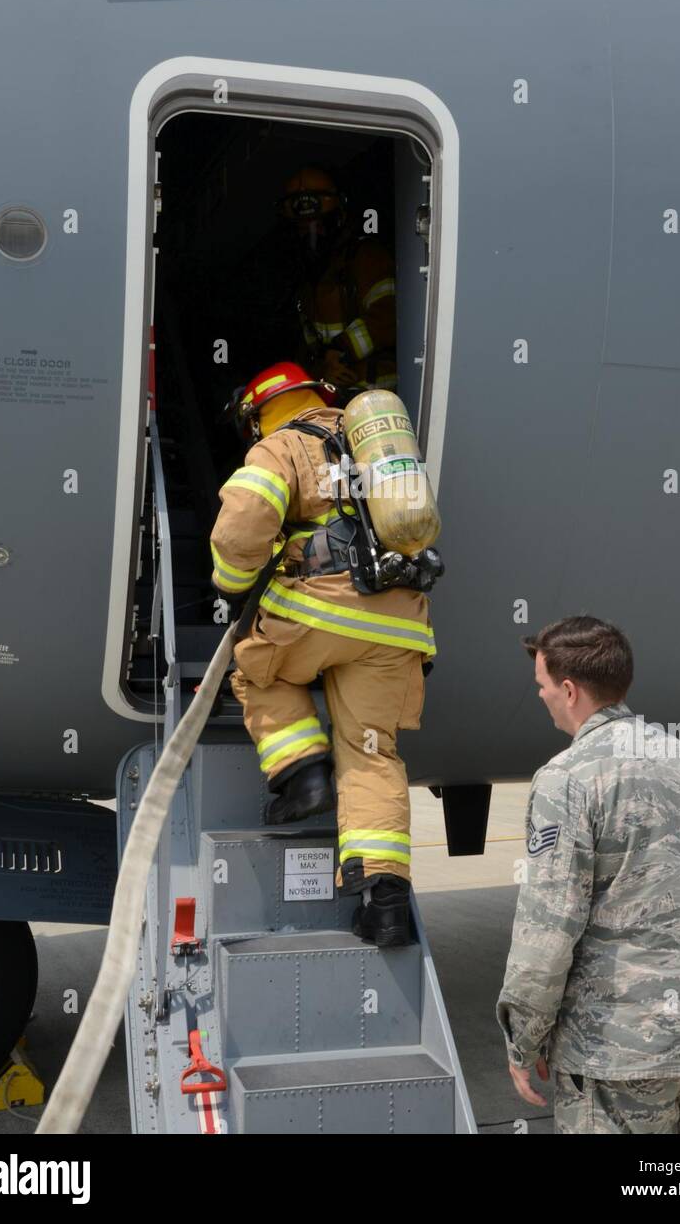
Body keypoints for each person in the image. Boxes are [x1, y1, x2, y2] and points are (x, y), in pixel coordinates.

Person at [208, 361, 435, 946]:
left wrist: (232, 585)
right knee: (372, 751)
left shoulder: (281, 447)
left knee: (257, 671)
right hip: (400, 627)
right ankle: (384, 906)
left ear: (262, 411)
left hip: (321, 613)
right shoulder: (377, 450)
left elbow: (240, 531)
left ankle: (303, 775)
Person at [496, 615, 680, 1134]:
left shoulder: (566, 778)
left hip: (616, 1047)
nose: (541, 697)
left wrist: (524, 1039)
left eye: (542, 687)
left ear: (569, 689)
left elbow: (549, 929)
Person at [277, 167, 397, 394]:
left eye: (320, 225)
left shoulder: (367, 257)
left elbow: (387, 317)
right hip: (333, 400)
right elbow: (308, 351)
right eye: (302, 228)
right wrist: (323, 367)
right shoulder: (308, 281)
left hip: (377, 396)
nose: (312, 235)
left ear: (340, 218)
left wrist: (340, 350)